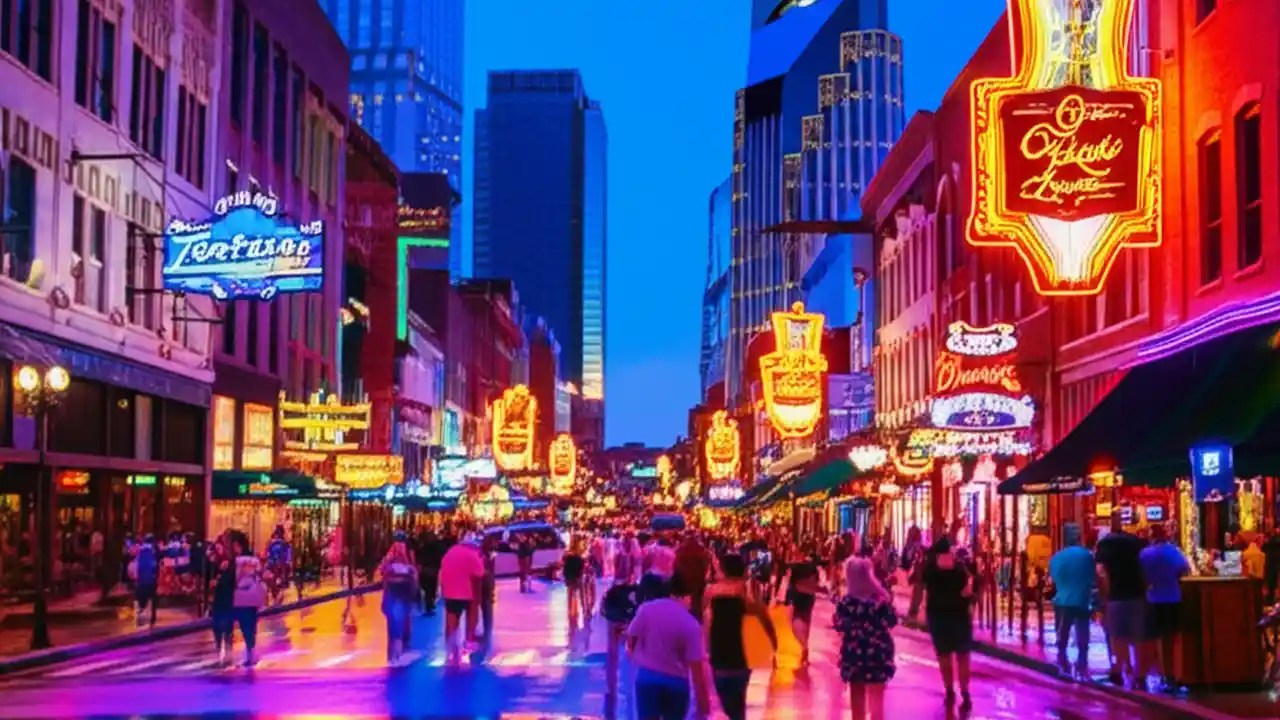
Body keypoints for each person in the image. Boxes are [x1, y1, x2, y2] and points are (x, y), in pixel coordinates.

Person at [627, 574, 713, 720]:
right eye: (690, 598)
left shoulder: (646, 610)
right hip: (676, 684)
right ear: (684, 597)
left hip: (647, 679)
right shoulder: (690, 623)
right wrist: (703, 705)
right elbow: (696, 668)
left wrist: (635, 657)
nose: (691, 603)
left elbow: (631, 639)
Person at [704, 553, 776, 720]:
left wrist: (705, 650)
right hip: (741, 658)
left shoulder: (711, 593)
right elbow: (764, 618)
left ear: (722, 570)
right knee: (738, 706)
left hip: (718, 656)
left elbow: (706, 623)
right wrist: (773, 644)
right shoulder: (746, 594)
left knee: (721, 705)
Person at [835, 556, 897, 720]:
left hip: (854, 652)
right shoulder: (880, 600)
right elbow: (892, 621)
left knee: (857, 694)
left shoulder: (847, 603)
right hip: (879, 650)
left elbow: (840, 626)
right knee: (877, 695)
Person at [918, 537, 973, 711]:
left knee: (944, 655)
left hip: (938, 616)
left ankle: (949, 689)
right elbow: (967, 592)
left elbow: (923, 585)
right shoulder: (959, 570)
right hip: (959, 617)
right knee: (963, 656)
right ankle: (964, 691)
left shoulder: (930, 570)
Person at [1095, 517, 1148, 689]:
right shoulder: (1136, 550)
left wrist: (1103, 599)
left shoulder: (1107, 553)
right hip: (1137, 596)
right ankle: (1140, 675)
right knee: (1138, 637)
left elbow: (1104, 578)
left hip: (1116, 598)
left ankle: (1119, 670)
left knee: (1118, 637)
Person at [1138, 523, 1191, 692]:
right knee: (1173, 638)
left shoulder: (1145, 553)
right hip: (1173, 597)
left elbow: (1141, 575)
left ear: (1151, 536)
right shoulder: (1173, 551)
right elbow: (1185, 570)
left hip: (1153, 598)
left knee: (1153, 639)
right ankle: (1174, 675)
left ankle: (1154, 674)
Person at [1048, 531, 1096, 680]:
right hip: (1082, 599)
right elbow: (1093, 577)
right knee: (1082, 632)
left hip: (1062, 600)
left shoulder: (1057, 557)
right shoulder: (1087, 556)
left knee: (1063, 632)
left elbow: (1053, 579)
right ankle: (1082, 664)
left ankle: (1062, 660)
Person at [438, 533, 485, 665]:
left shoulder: (450, 552)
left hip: (449, 591)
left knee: (451, 619)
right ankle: (468, 640)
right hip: (466, 592)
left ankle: (450, 646)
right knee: (472, 612)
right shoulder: (472, 554)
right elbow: (479, 573)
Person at [379, 534, 418, 664]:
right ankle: (399, 649)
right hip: (401, 596)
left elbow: (382, 574)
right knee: (401, 622)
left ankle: (394, 653)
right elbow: (414, 578)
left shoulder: (390, 561)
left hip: (394, 596)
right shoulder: (406, 563)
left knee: (394, 624)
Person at [230, 532, 265, 667]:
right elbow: (260, 573)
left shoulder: (238, 561)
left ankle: (249, 652)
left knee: (244, 624)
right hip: (253, 593)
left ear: (237, 545)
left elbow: (236, 577)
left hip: (241, 595)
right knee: (252, 623)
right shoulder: (254, 559)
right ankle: (251, 651)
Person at [786, 544, 821, 666]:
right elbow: (817, 581)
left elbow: (790, 583)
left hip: (798, 595)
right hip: (809, 597)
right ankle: (804, 651)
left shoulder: (794, 567)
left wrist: (787, 598)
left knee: (795, 622)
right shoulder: (812, 567)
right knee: (806, 622)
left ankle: (804, 646)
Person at [209, 532, 237, 666]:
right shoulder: (215, 561)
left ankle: (228, 646)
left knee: (227, 623)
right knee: (217, 623)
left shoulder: (233, 562)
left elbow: (233, 579)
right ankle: (219, 646)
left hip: (228, 596)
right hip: (218, 597)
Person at [674, 534, 713, 618]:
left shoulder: (679, 550)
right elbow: (706, 564)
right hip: (698, 580)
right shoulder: (702, 551)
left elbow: (675, 564)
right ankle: (696, 617)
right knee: (697, 601)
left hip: (683, 579)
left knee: (681, 600)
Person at [132, 534, 160, 628]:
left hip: (141, 580)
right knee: (152, 598)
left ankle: (140, 619)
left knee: (141, 600)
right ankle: (152, 618)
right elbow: (154, 565)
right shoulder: (152, 552)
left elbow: (136, 566)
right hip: (150, 580)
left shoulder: (140, 552)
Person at [563, 538, 588, 626]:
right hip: (577, 577)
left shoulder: (568, 556)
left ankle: (571, 611)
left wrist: (565, 577)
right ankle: (584, 610)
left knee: (571, 594)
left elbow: (565, 568)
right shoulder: (579, 557)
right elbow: (581, 569)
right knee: (581, 594)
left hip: (570, 577)